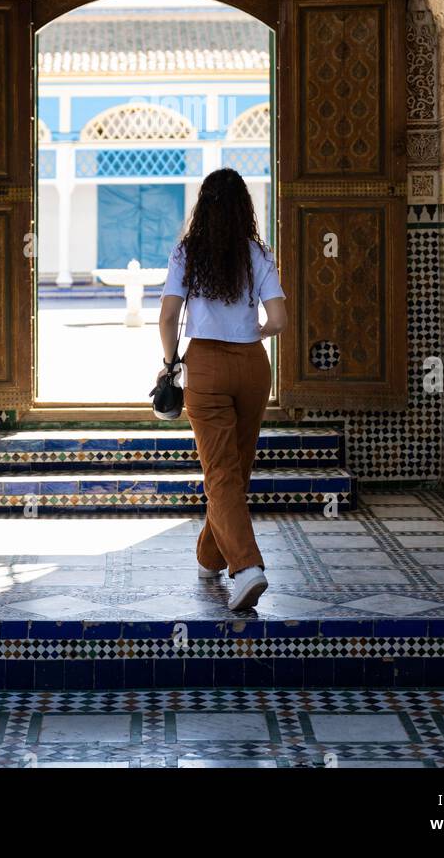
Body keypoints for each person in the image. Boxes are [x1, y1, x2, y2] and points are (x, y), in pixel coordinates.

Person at [157, 168, 287, 612]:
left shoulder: (187, 254)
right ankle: (209, 555)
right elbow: (280, 320)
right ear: (244, 209)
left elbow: (168, 317)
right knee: (236, 468)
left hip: (206, 366)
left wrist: (170, 363)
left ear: (204, 207)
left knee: (221, 472)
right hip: (253, 366)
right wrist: (254, 333)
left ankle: (247, 568)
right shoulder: (258, 254)